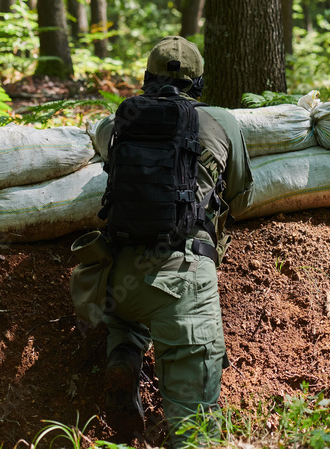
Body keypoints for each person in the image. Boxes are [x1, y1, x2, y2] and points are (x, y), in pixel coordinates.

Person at [83, 36, 253, 447]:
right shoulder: (223, 122)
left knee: (125, 317)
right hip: (182, 281)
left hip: (119, 280)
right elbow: (242, 197)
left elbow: (102, 147)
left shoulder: (118, 123)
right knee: (194, 427)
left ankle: (123, 353)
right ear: (198, 84)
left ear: (146, 79)